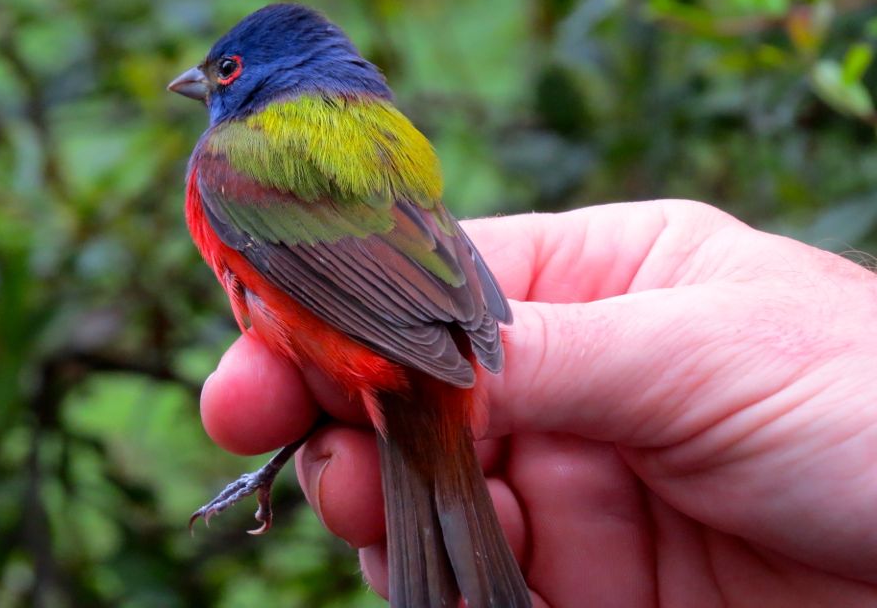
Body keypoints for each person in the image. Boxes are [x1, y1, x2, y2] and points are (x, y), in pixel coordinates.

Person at [198, 199, 877, 607]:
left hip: (390, 332)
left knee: (325, 406)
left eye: (225, 71)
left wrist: (433, 343)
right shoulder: (376, 139)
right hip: (425, 302)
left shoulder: (233, 168)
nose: (201, 83)